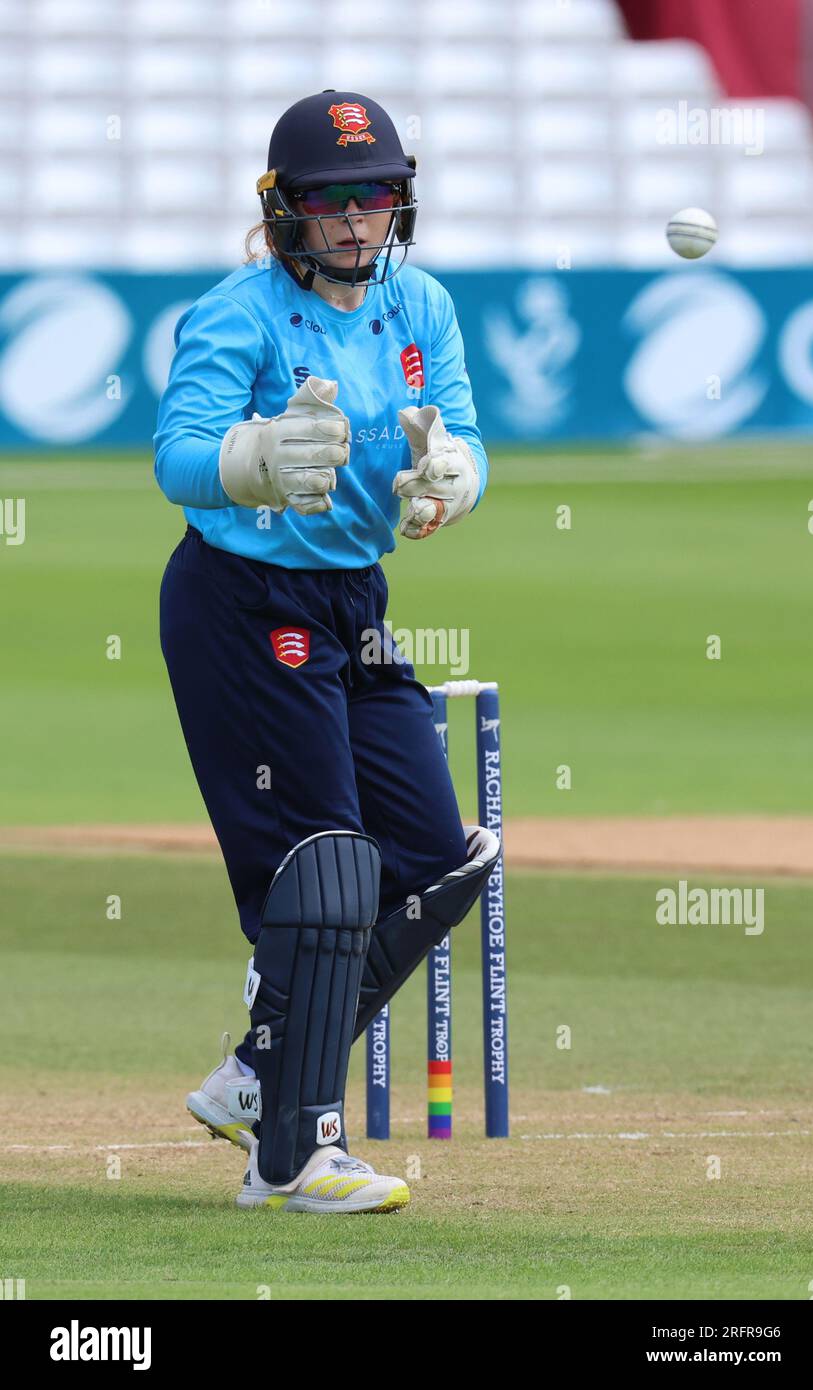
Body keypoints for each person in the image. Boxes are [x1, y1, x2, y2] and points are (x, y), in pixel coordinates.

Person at [154, 90, 500, 1214]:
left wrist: (451, 477)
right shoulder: (235, 314)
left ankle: (262, 1068)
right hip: (243, 600)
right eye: (330, 199)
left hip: (351, 595)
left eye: (375, 197)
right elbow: (179, 453)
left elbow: (459, 427)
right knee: (326, 870)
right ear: (284, 209)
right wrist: (253, 457)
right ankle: (293, 1156)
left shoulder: (421, 305)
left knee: (438, 855)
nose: (355, 220)